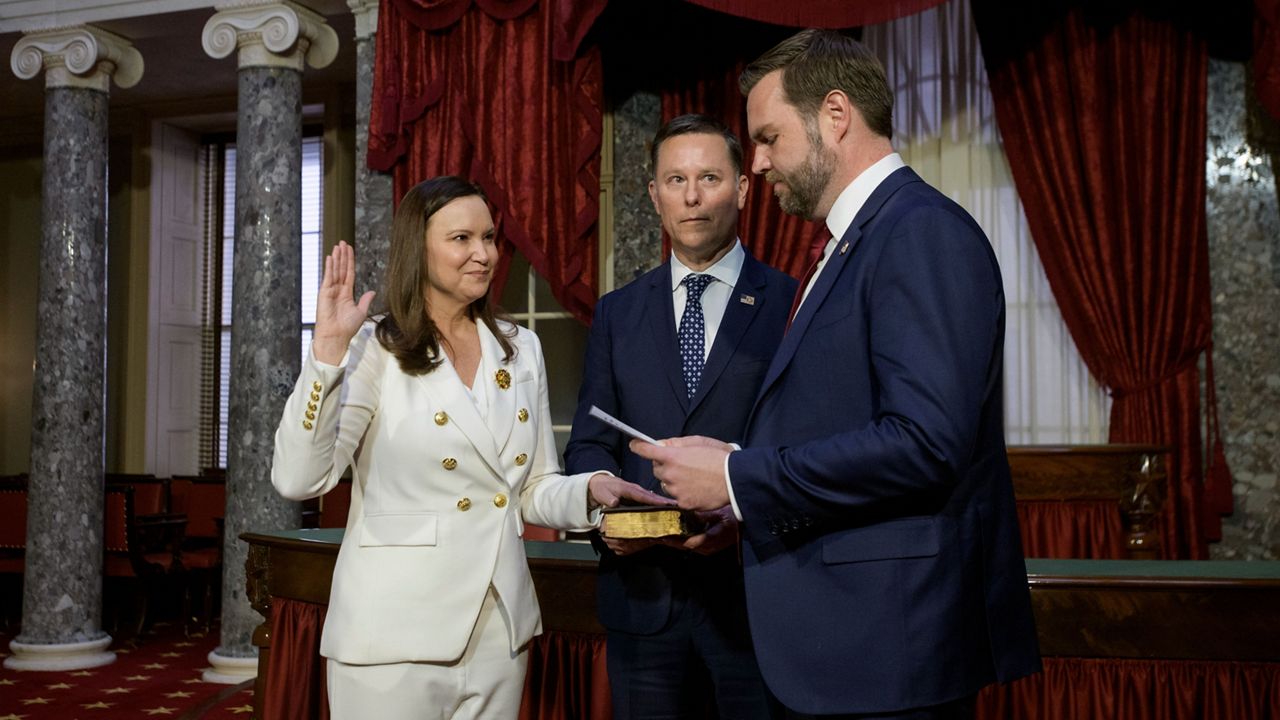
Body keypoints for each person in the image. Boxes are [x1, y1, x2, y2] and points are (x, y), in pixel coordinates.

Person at [631, 30, 1042, 719]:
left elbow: (925, 444)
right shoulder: (857, 239)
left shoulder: (918, 231)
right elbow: (839, 420)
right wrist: (745, 506)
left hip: (889, 652)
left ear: (835, 114)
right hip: (851, 648)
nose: (757, 163)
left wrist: (737, 477)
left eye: (769, 137)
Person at [271, 176, 667, 720]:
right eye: (462, 238)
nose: (483, 254)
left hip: (498, 633)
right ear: (419, 248)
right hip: (393, 633)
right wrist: (326, 353)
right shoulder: (374, 346)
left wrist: (592, 491)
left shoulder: (520, 348)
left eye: (489, 237)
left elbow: (532, 487)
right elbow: (300, 479)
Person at [565, 114, 795, 719]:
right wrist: (600, 499)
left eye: (709, 178)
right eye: (675, 180)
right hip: (642, 605)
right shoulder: (617, 314)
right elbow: (589, 442)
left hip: (755, 602)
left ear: (742, 190)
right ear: (654, 194)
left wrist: (744, 513)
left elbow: (806, 444)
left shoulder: (792, 303)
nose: (691, 196)